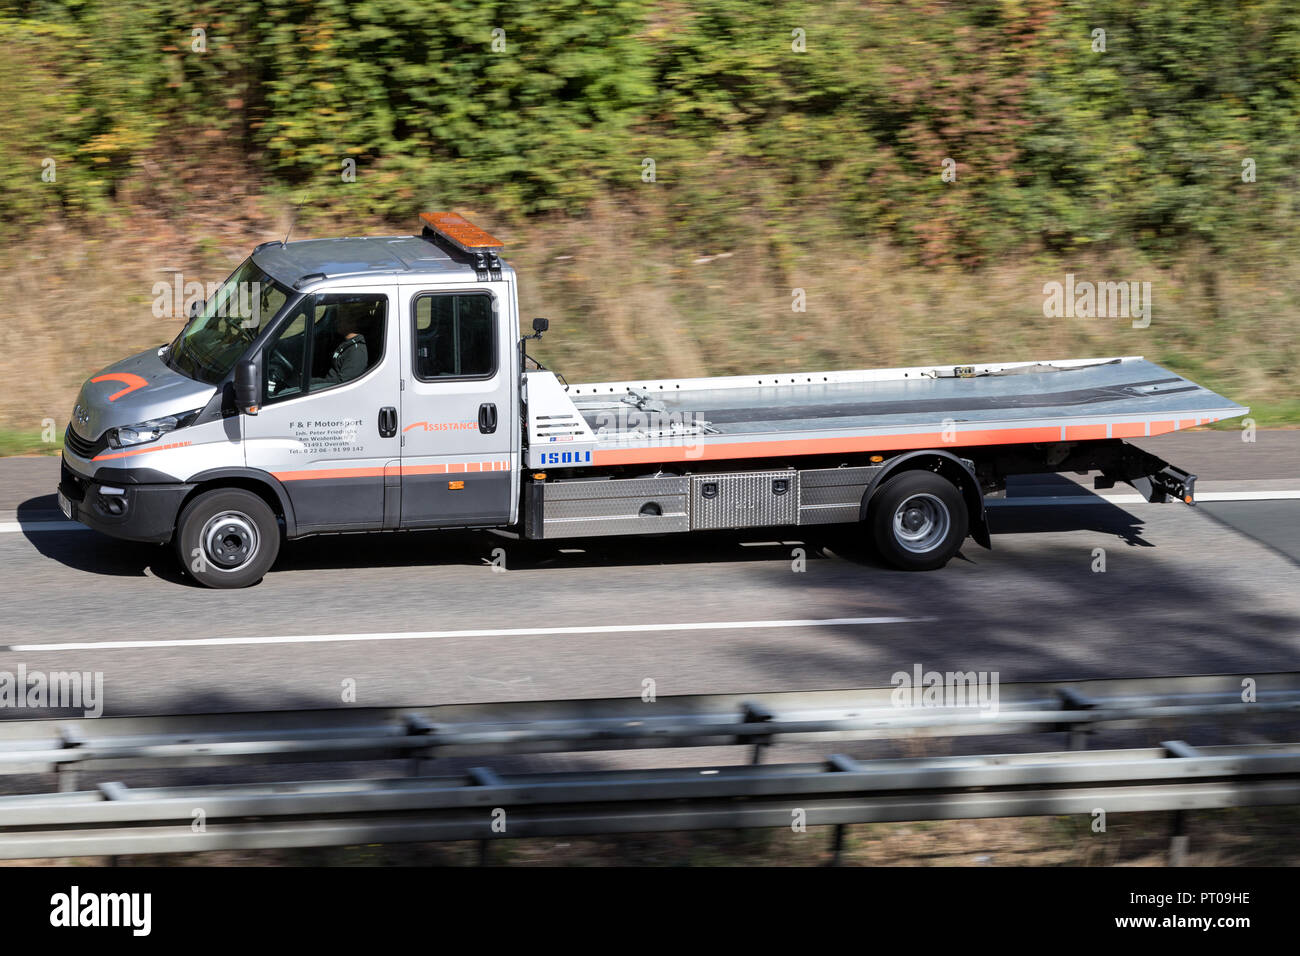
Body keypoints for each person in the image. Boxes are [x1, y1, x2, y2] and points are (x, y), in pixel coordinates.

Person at [315, 303, 370, 386]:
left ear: (352, 323)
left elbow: (343, 384)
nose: (336, 321)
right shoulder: (344, 341)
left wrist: (310, 383)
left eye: (341, 319)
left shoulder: (357, 351)